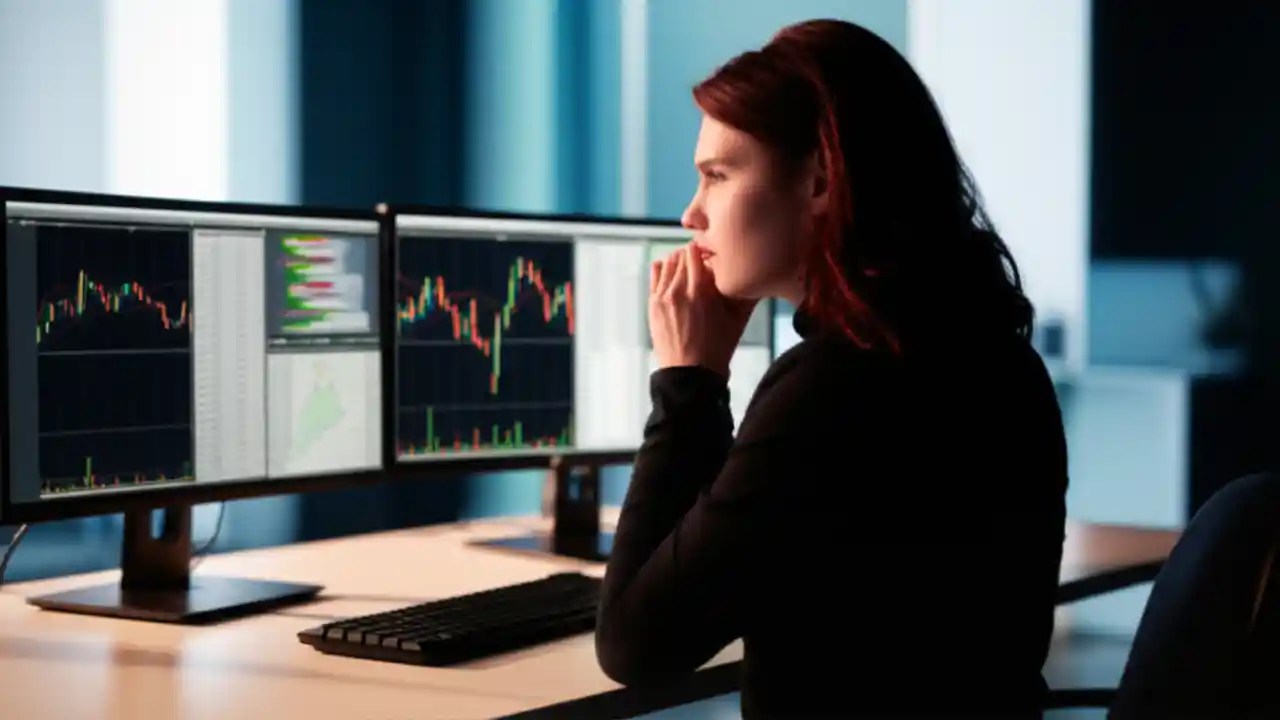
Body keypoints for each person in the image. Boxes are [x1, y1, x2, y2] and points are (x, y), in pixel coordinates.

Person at [594, 18, 1069, 719]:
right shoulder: (995, 357)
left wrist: (688, 384)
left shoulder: (831, 390)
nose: (692, 213)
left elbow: (636, 646)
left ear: (820, 179)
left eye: (717, 176)